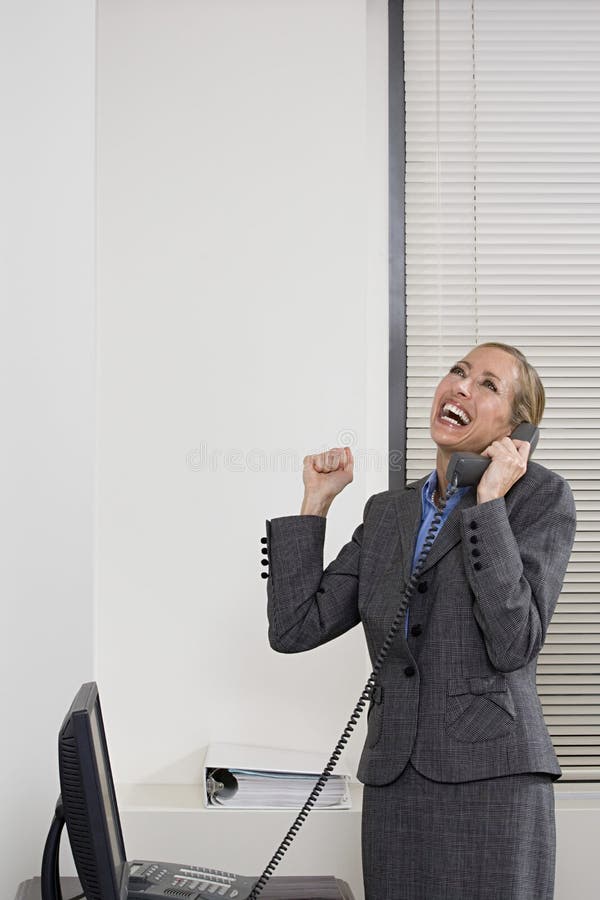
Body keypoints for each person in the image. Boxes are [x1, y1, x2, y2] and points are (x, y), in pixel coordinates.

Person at [262, 342, 577, 900]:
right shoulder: (389, 513)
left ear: (516, 431)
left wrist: (489, 504)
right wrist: (316, 504)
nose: (461, 386)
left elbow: (514, 643)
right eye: (458, 371)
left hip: (495, 779)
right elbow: (295, 628)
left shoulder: (540, 498)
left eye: (487, 384)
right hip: (396, 780)